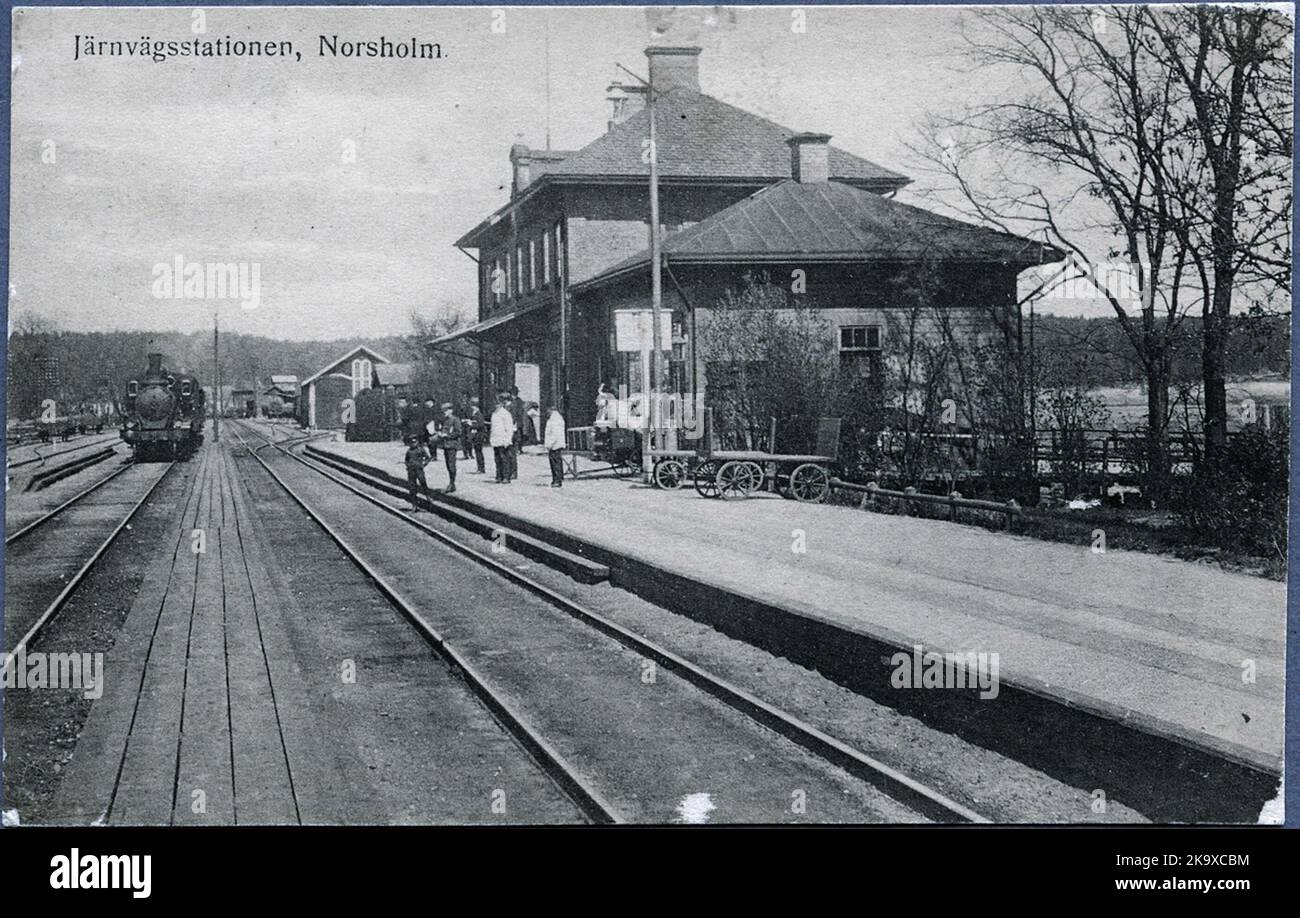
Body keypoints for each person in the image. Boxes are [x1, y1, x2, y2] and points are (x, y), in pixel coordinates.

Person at [436, 402, 462, 494]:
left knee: (451, 465)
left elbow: (458, 432)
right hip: (446, 445)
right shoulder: (445, 420)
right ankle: (451, 483)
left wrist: (446, 435)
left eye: (446, 410)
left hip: (452, 445)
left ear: (451, 410)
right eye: (443, 411)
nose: (444, 413)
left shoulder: (455, 420)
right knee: (448, 464)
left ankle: (452, 484)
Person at [489, 395, 516, 484]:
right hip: (496, 440)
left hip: (503, 440)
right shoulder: (494, 414)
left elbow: (509, 428)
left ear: (501, 404)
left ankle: (506, 477)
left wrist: (508, 440)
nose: (496, 405)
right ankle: (499, 476)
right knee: (497, 459)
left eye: (498, 404)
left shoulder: (505, 414)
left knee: (504, 459)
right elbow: (493, 428)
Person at [403, 435, 432, 510]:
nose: (413, 444)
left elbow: (428, 458)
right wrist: (407, 465)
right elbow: (406, 460)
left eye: (414, 442)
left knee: (423, 483)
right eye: (411, 442)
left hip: (419, 469)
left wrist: (424, 464)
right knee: (412, 488)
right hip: (411, 471)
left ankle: (428, 497)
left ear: (417, 442)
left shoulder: (421, 450)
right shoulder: (409, 451)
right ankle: (414, 505)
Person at [544, 405, 566, 488]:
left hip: (555, 444)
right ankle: (557, 479)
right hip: (556, 444)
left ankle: (557, 480)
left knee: (555, 463)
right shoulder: (556, 418)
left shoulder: (555, 419)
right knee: (556, 462)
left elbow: (555, 434)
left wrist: (550, 444)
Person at [464, 397, 486, 473]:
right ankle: (479, 467)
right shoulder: (474, 414)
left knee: (479, 452)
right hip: (475, 435)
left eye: (473, 405)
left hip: (479, 435)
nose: (471, 407)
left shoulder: (478, 414)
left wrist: (471, 425)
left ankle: (481, 468)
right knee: (477, 452)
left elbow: (480, 425)